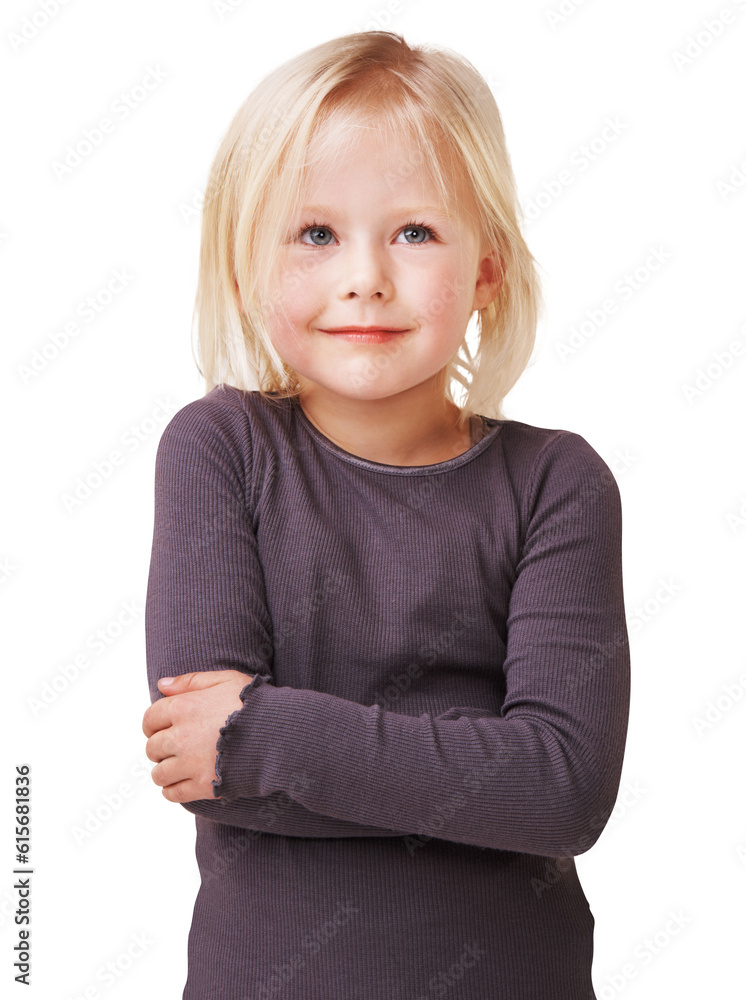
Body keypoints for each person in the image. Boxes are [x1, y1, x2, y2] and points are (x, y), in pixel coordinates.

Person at [141, 30, 630, 999]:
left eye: (413, 232)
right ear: (247, 268)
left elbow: (562, 789)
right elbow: (199, 755)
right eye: (315, 234)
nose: (364, 275)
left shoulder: (556, 483)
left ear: (485, 266)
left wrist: (269, 734)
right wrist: (479, 767)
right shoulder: (219, 449)